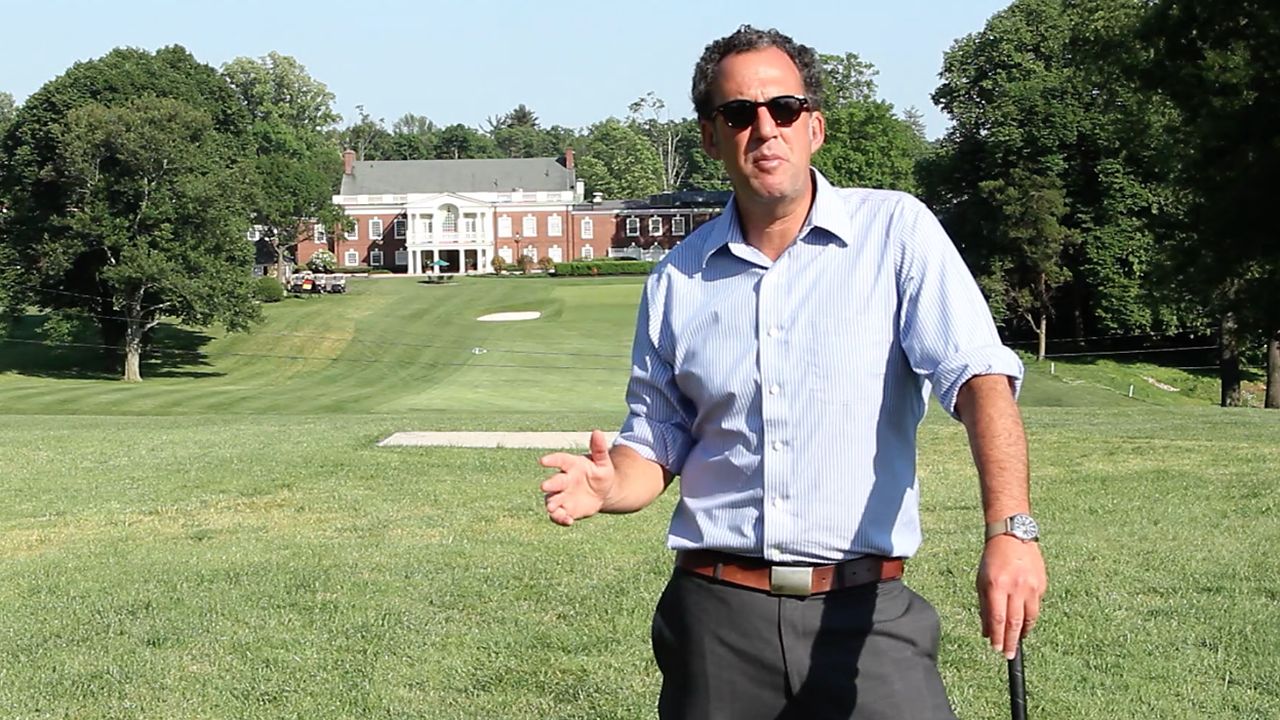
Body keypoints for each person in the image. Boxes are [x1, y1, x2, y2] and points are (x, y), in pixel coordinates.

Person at [539, 25, 1047, 720]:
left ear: (814, 126)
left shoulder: (897, 232)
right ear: (712, 137)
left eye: (783, 109)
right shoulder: (676, 280)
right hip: (716, 619)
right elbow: (657, 444)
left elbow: (981, 381)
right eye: (739, 115)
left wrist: (1011, 533)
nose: (764, 129)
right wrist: (610, 485)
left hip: (869, 615)